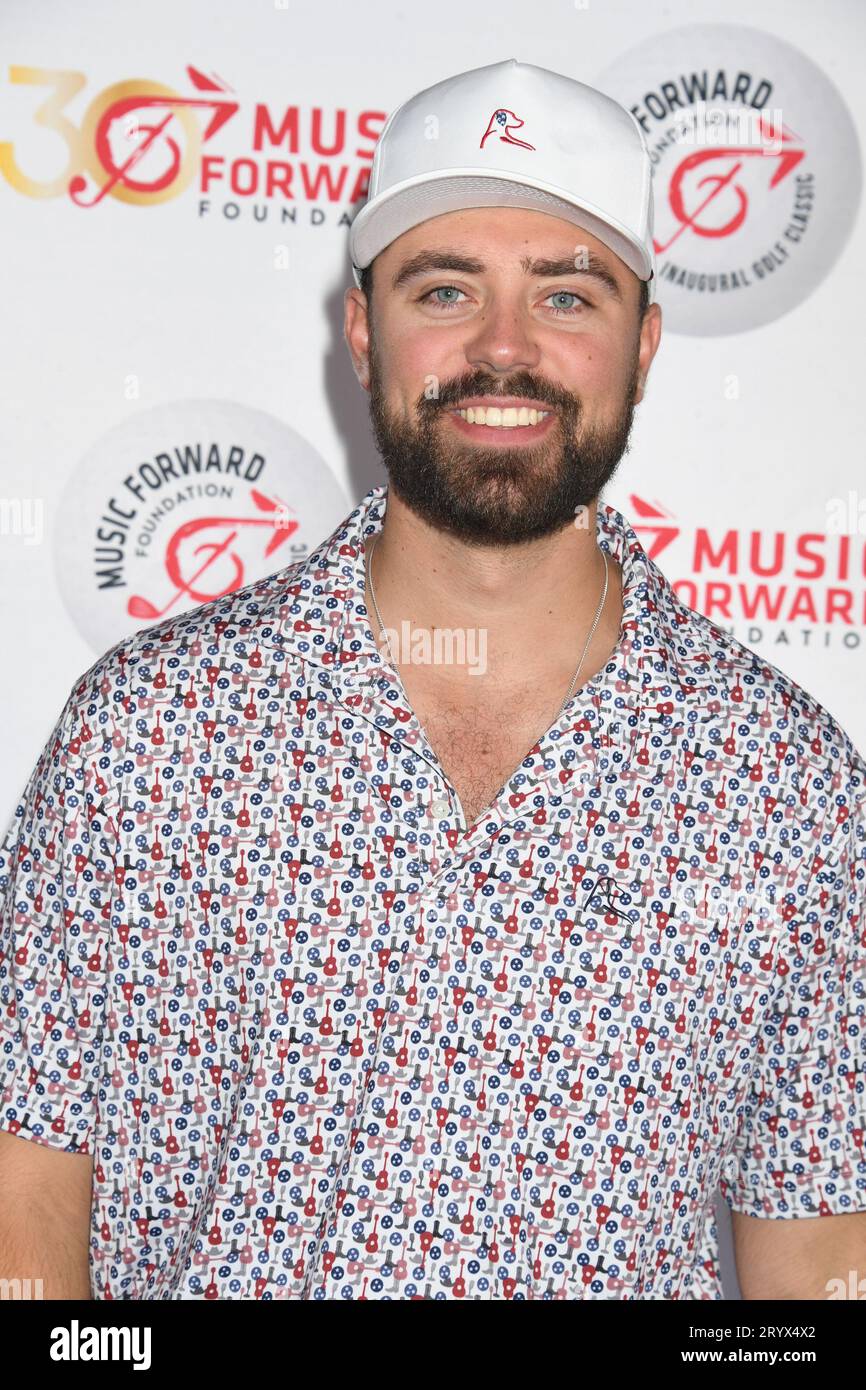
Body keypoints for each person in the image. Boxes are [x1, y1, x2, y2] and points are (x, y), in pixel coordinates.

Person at [1, 58, 864, 1302]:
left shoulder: (784, 789)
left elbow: (818, 1256)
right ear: (362, 330)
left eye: (565, 297)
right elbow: (28, 1186)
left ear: (644, 344)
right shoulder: (149, 736)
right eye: (445, 287)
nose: (502, 349)